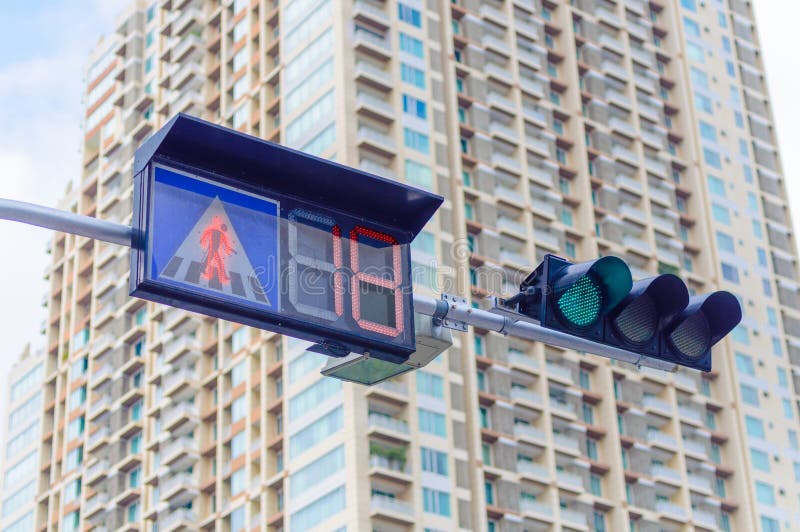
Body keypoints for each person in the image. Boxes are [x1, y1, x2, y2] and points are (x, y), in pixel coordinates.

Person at [200, 215, 235, 284]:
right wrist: (203, 240)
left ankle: (203, 269)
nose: (224, 231)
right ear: (222, 228)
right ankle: (223, 277)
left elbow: (225, 245)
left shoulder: (219, 233)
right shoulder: (215, 231)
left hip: (214, 250)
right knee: (218, 262)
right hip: (213, 249)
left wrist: (233, 250)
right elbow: (208, 235)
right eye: (224, 229)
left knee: (214, 261)